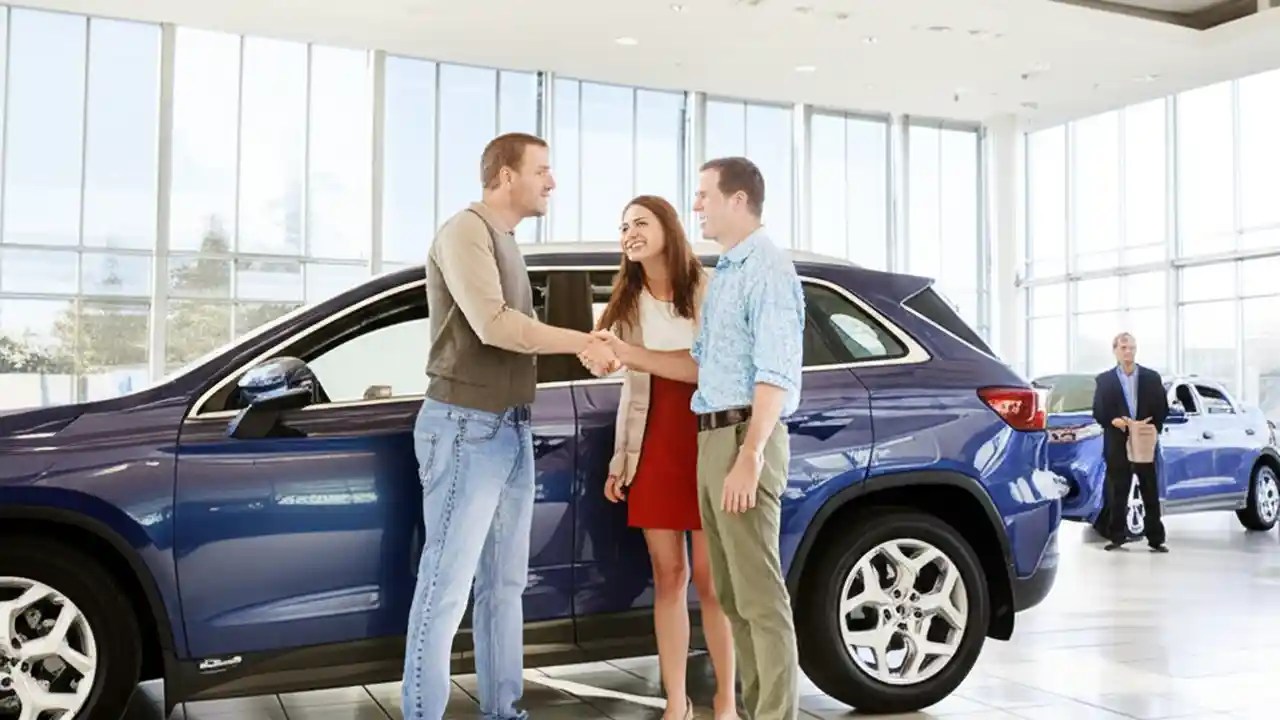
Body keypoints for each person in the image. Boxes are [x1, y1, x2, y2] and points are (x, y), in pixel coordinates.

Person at [403, 132, 617, 720]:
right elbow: (496, 325)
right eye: (542, 170)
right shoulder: (464, 231)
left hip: (510, 428)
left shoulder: (505, 239)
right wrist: (584, 342)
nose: (551, 182)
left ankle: (504, 711)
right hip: (466, 428)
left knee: (503, 587)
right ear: (504, 176)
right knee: (445, 588)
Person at [597, 157, 804, 720]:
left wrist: (752, 453)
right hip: (710, 433)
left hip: (738, 434)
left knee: (752, 595)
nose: (697, 206)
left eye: (704, 195)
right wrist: (614, 353)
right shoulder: (733, 271)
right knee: (737, 597)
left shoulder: (763, 270)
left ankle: (764, 711)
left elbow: (776, 372)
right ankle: (743, 707)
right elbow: (705, 366)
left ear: (737, 200)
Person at [579, 195, 738, 720]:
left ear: (669, 227)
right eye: (623, 226)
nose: (629, 232)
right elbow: (623, 381)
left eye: (640, 222)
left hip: (707, 434)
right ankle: (676, 701)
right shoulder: (625, 301)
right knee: (669, 576)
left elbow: (707, 369)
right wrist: (621, 459)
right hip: (653, 440)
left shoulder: (710, 289)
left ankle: (726, 701)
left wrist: (628, 355)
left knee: (712, 581)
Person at [1092, 331, 1169, 553]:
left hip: (1144, 438)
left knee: (1149, 488)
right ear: (1115, 350)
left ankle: (1155, 537)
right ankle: (1117, 535)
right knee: (1118, 489)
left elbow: (1162, 408)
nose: (1128, 352)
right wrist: (1114, 421)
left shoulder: (1151, 378)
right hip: (1117, 440)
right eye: (1124, 348)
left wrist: (1152, 426)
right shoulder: (1104, 380)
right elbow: (1099, 411)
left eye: (1132, 348)